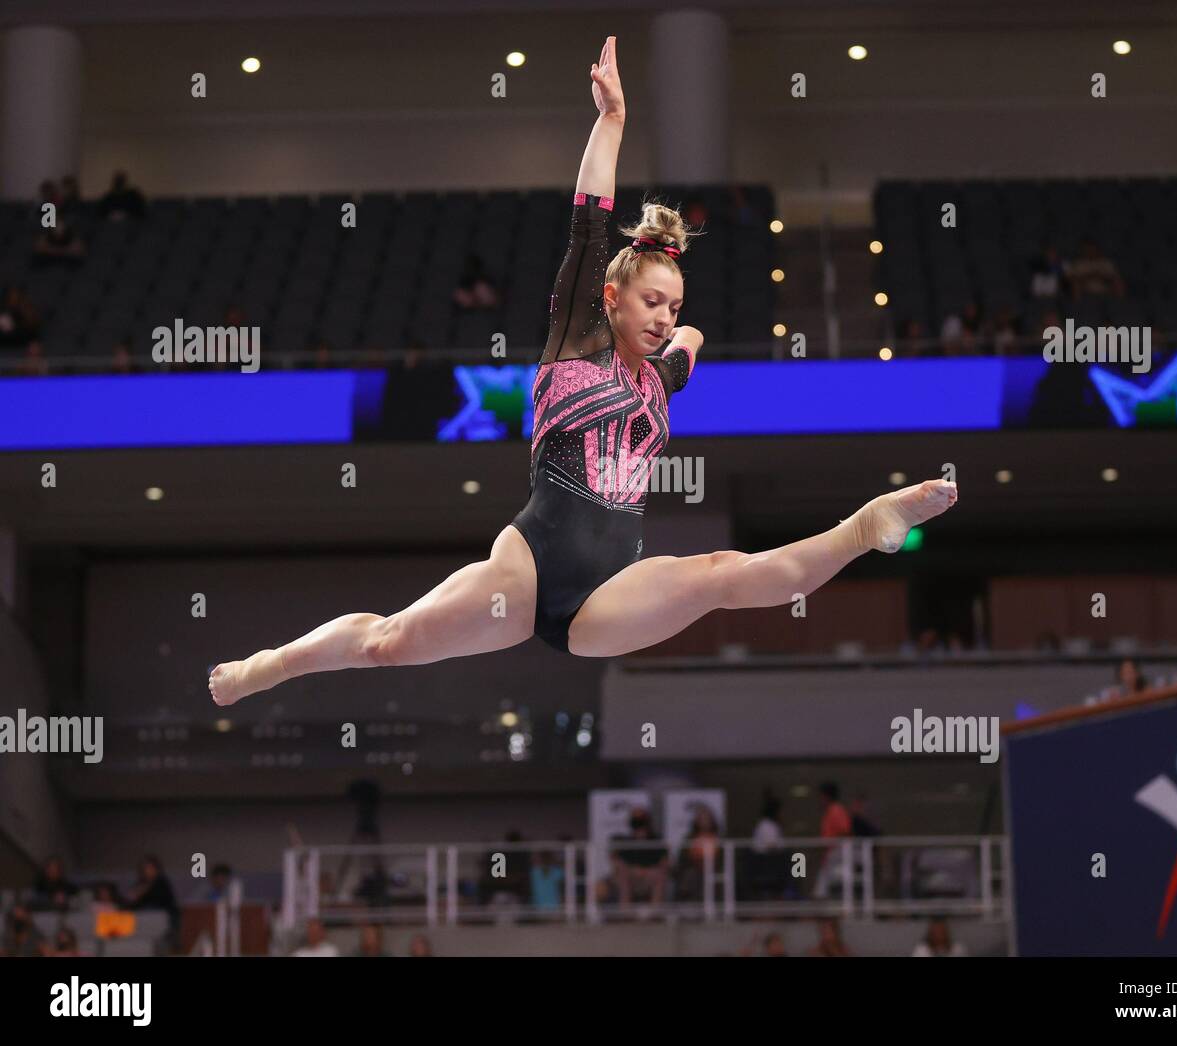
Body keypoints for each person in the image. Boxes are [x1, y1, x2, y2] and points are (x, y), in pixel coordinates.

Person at [207, 35, 958, 707]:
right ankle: (272, 664)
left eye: (674, 305)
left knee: (724, 575)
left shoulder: (656, 381)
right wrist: (612, 124)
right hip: (533, 563)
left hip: (610, 588)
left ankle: (865, 526)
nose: (664, 316)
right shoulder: (576, 344)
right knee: (390, 644)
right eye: (653, 302)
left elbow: (683, 357)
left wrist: (687, 336)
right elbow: (589, 224)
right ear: (610, 299)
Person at [610, 807, 670, 909]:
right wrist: (634, 870)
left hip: (650, 878)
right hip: (631, 878)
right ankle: (625, 914)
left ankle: (654, 914)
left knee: (659, 876)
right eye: (636, 821)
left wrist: (647, 871)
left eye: (641, 821)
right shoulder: (625, 842)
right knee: (623, 874)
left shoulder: (657, 841)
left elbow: (665, 862)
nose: (639, 826)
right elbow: (618, 862)